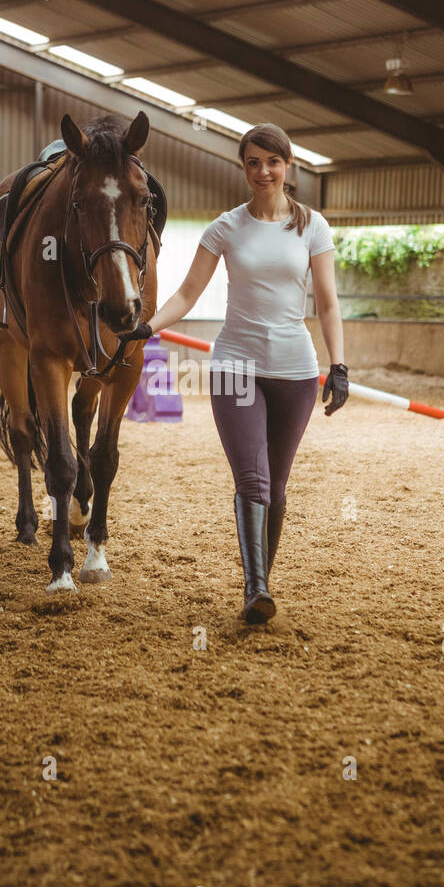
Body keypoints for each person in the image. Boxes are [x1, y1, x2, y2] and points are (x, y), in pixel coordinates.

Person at [125, 123, 349, 623]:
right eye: (252, 162)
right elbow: (187, 294)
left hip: (295, 370)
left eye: (272, 161)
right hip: (234, 367)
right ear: (244, 167)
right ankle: (256, 589)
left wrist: (338, 365)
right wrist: (147, 327)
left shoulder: (313, 226)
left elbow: (329, 303)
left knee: (278, 485)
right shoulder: (226, 227)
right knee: (253, 477)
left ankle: (260, 585)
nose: (262, 171)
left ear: (287, 165)